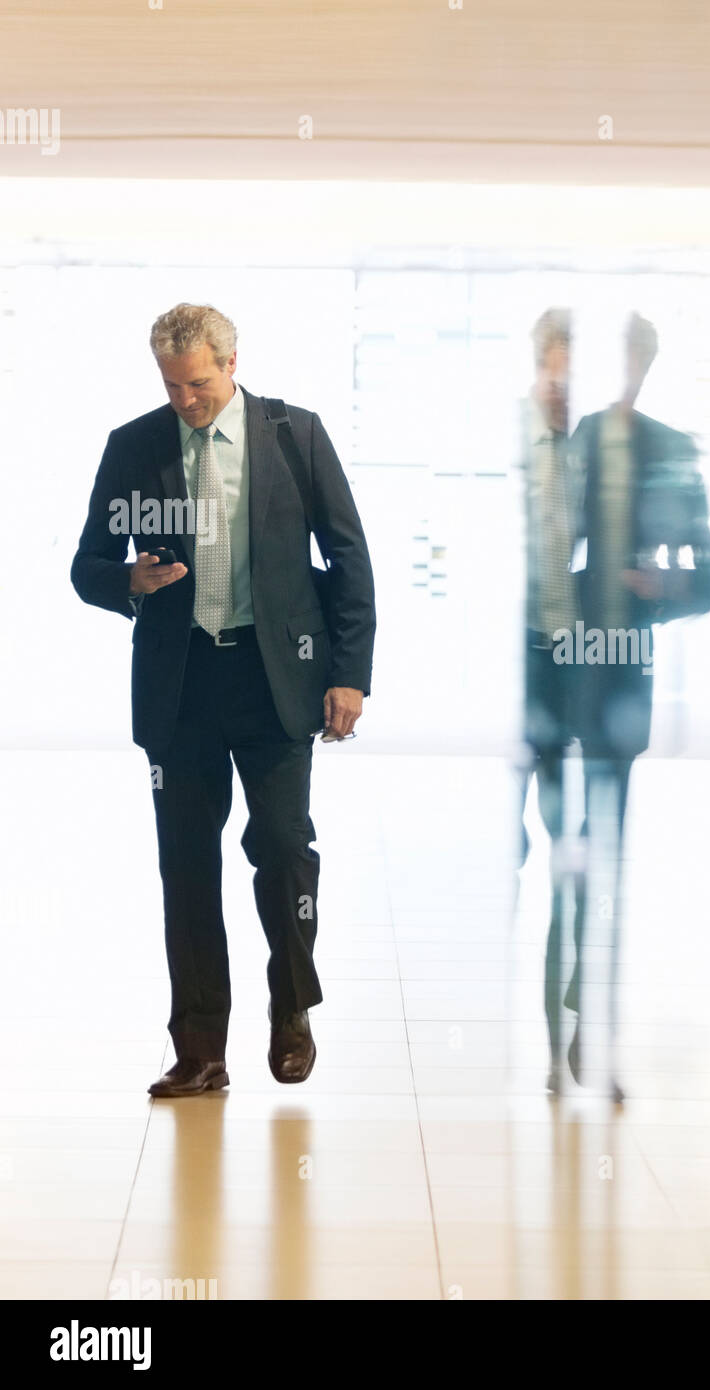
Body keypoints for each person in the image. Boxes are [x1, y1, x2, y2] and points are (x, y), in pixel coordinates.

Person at [70, 303, 376, 1096]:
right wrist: (125, 582)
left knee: (281, 848)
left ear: (232, 365)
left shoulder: (293, 436)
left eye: (197, 383)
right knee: (187, 868)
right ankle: (200, 1049)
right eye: (171, 385)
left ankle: (292, 1006)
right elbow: (87, 565)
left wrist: (349, 674)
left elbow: (347, 558)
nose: (184, 400)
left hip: (275, 681)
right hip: (181, 689)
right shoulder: (134, 447)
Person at [561, 312, 710, 1100]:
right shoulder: (576, 442)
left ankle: (594, 1018)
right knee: (572, 833)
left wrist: (662, 591)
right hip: (569, 661)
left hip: (625, 670)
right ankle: (575, 992)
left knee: (604, 836)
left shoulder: (672, 450)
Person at [516, 308, 586, 1093]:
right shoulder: (508, 446)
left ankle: (571, 1008)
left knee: (570, 834)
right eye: (560, 375)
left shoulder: (600, 449)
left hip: (577, 665)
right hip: (517, 663)